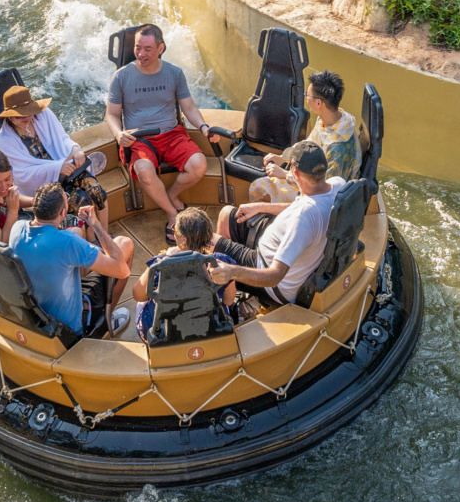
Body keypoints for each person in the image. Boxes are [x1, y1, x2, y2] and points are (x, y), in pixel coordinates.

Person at [207, 139, 345, 308]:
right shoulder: (338, 185)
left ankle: (226, 298)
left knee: (207, 242)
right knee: (227, 213)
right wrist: (260, 207)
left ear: (295, 173)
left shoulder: (303, 218)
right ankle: (230, 285)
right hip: (276, 248)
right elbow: (305, 205)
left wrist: (231, 271)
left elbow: (274, 276)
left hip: (274, 283)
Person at [106, 24, 210, 237]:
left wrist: (203, 126)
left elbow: (188, 107)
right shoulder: (121, 76)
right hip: (140, 139)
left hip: (172, 133)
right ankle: (173, 214)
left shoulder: (175, 73)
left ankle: (172, 194)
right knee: (144, 170)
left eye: (147, 49)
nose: (141, 54)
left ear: (161, 48)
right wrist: (119, 134)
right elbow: (111, 114)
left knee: (199, 165)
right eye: (137, 48)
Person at [8, 183, 136, 337]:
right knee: (125, 244)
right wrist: (95, 225)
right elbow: (121, 270)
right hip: (69, 328)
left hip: (37, 315)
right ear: (63, 213)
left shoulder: (16, 228)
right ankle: (104, 323)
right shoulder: (68, 242)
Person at [0, 84, 110, 238]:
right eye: (19, 116)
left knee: (97, 192)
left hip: (68, 170)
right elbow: (23, 173)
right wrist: (57, 167)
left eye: (29, 112)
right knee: (81, 201)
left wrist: (75, 148)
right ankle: (92, 246)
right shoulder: (4, 139)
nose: (26, 118)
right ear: (8, 117)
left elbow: (62, 138)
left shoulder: (44, 114)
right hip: (44, 186)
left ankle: (106, 236)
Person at [248, 70, 363, 207]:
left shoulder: (338, 146)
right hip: (312, 176)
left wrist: (286, 175)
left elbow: (326, 189)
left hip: (322, 200)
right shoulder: (335, 118)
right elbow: (308, 144)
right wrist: (284, 157)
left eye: (307, 95)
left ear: (319, 103)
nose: (305, 98)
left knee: (258, 187)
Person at [127, 206, 235, 341]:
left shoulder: (160, 265)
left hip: (165, 335)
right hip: (210, 330)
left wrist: (165, 257)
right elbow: (229, 300)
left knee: (142, 303)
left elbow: (137, 295)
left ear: (183, 239)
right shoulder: (221, 262)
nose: (173, 233)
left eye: (174, 230)